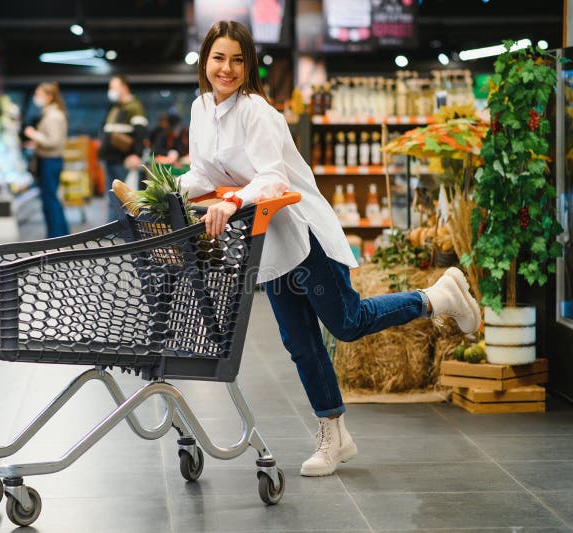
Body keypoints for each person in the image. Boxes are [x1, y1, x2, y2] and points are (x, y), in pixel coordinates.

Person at [178, 21, 481, 477]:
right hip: (268, 243)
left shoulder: (257, 112)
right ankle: (334, 434)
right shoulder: (201, 110)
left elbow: (272, 177)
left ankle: (436, 297)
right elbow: (202, 174)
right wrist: (166, 190)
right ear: (205, 60)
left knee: (347, 322)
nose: (227, 68)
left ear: (248, 65)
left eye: (237, 59)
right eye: (219, 58)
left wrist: (232, 201)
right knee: (300, 344)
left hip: (303, 233)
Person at [24, 82, 70, 238]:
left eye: (39, 95)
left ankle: (56, 236)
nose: (36, 98)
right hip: (49, 160)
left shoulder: (53, 116)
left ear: (49, 97)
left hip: (50, 161)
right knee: (51, 199)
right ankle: (60, 234)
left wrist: (33, 134)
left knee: (50, 200)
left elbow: (54, 141)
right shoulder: (50, 114)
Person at [99, 75, 148, 220]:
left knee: (122, 198)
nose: (111, 91)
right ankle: (113, 229)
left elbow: (140, 133)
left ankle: (123, 231)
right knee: (112, 197)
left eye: (114, 87)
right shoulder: (115, 107)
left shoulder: (134, 106)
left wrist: (136, 155)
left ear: (124, 88)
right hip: (111, 159)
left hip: (123, 160)